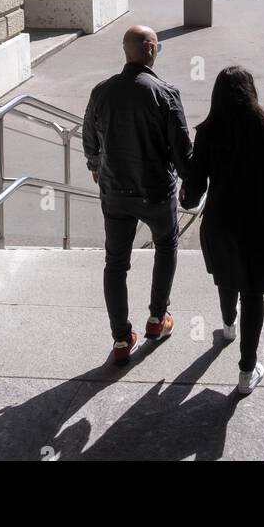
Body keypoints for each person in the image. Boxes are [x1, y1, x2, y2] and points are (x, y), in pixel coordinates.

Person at [82, 24, 193, 362]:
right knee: (166, 246)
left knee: (115, 264)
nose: (158, 51)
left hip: (115, 191)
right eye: (157, 45)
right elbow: (181, 150)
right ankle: (158, 318)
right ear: (147, 49)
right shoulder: (165, 93)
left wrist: (96, 165)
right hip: (155, 191)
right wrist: (191, 181)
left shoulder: (101, 91)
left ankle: (120, 339)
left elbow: (89, 136)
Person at [180, 66, 264, 395]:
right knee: (253, 293)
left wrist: (189, 191)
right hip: (260, 221)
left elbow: (196, 185)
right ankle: (246, 372)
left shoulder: (208, 130)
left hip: (221, 221)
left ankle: (228, 324)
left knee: (227, 277)